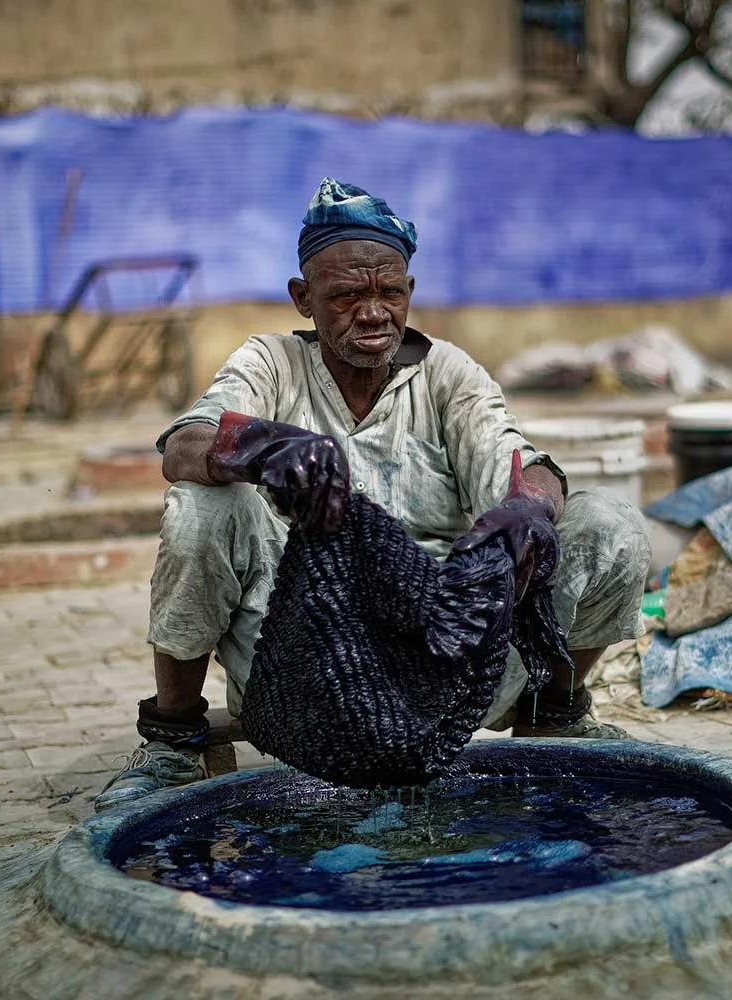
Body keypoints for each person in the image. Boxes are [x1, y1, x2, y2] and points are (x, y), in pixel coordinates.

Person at [95, 178, 651, 811]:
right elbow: (183, 446)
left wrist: (528, 507)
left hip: (450, 661)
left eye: (389, 292)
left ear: (409, 293)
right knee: (201, 506)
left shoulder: (447, 373)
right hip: (302, 664)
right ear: (303, 299)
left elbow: (524, 464)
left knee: (609, 524)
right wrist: (259, 449)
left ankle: (555, 716)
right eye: (347, 295)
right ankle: (173, 741)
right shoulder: (271, 364)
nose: (373, 312)